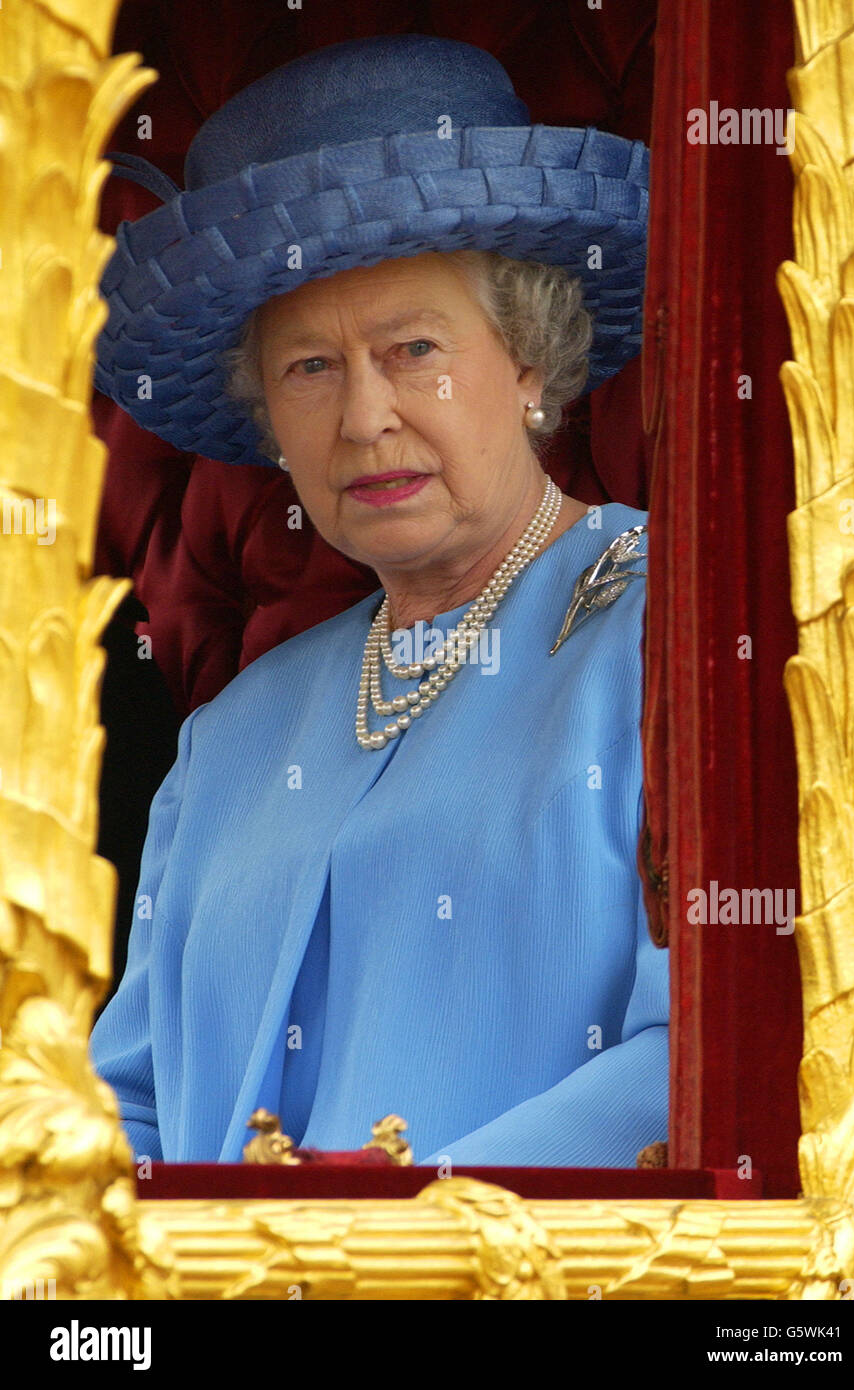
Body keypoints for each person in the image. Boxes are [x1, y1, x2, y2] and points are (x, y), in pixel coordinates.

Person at [89, 33, 667, 1166]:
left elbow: (703, 1053)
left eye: (412, 349)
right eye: (309, 366)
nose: (363, 419)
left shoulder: (672, 632)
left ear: (528, 360)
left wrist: (379, 1250)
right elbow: (127, 1111)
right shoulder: (227, 742)